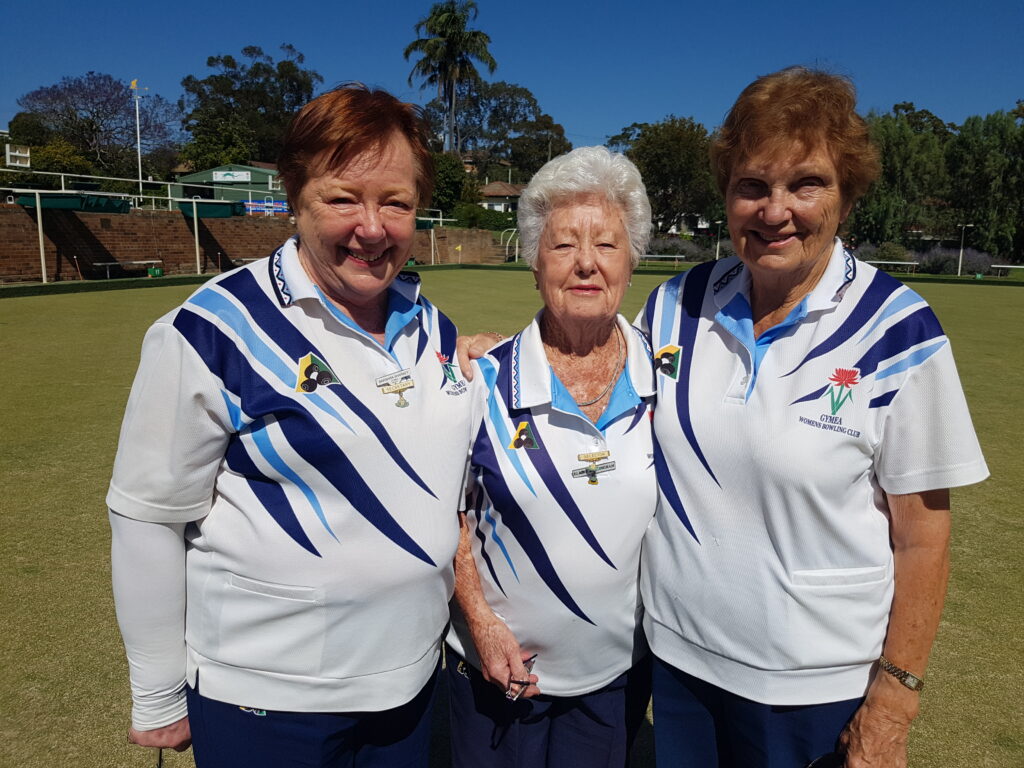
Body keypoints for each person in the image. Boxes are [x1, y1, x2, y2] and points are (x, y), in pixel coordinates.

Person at [107, 84, 475, 768]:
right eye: (343, 198)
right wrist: (157, 692)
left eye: (396, 203)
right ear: (294, 196)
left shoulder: (434, 327)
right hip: (266, 696)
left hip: (408, 684)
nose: (373, 227)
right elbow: (147, 515)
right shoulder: (210, 329)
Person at [638, 67, 989, 767]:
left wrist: (895, 699)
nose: (775, 212)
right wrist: (488, 358)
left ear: (846, 196)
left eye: (806, 184)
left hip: (814, 691)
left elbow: (923, 538)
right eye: (752, 185)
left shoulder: (900, 330)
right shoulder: (674, 303)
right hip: (678, 665)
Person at [447, 146, 657, 768]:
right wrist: (480, 620)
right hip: (499, 666)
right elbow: (448, 513)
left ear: (631, 262)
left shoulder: (669, 376)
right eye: (563, 245)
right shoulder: (482, 380)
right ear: (535, 264)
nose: (586, 262)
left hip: (617, 671)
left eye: (607, 245)